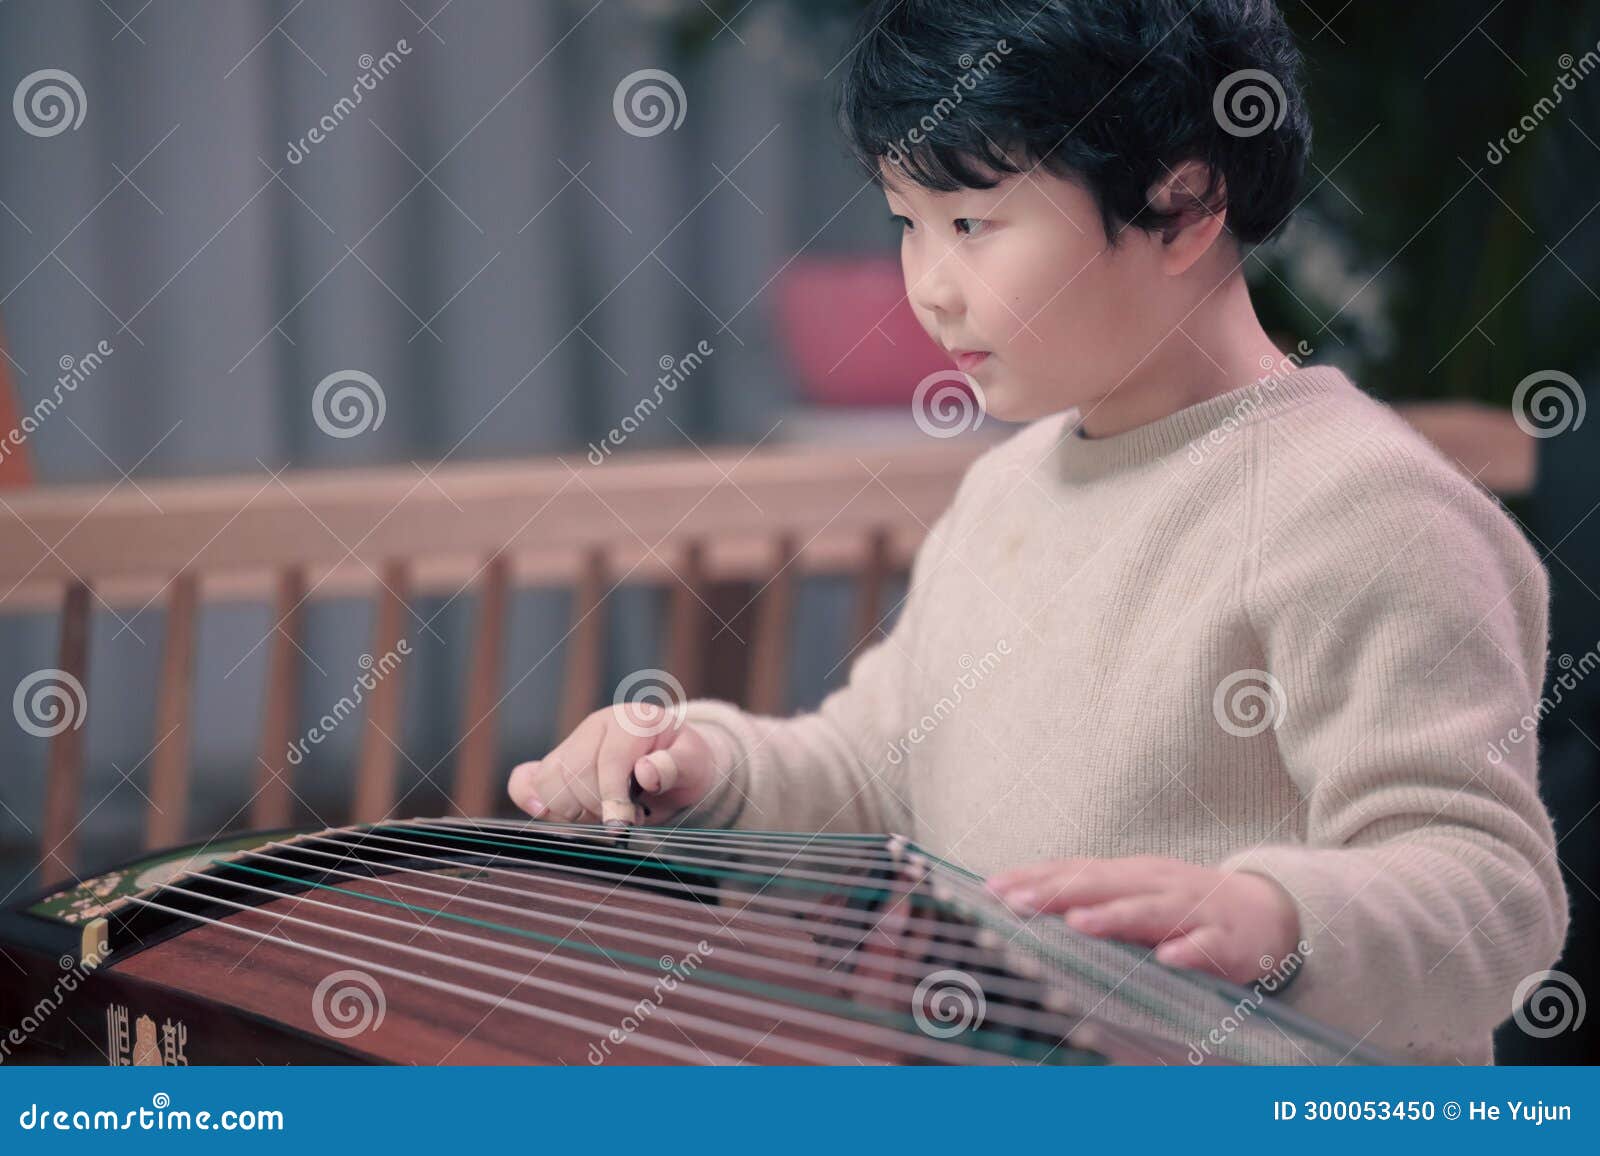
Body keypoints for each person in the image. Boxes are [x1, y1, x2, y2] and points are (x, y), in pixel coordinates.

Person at [507, 0, 1567, 1064]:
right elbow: (877, 774)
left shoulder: (1364, 512)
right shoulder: (1007, 490)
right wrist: (706, 766)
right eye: (905, 222)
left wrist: (1274, 919)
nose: (926, 289)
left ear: (1180, 200)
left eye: (970, 224)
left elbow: (1489, 891)